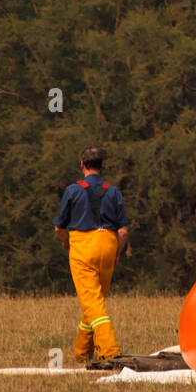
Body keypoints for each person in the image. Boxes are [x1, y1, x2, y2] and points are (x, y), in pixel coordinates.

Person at [54, 146, 129, 363]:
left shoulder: (72, 190)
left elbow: (59, 228)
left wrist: (66, 244)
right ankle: (82, 352)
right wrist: (116, 253)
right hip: (108, 245)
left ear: (82, 165)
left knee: (93, 302)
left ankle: (109, 351)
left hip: (82, 247)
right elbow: (123, 231)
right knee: (95, 301)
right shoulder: (113, 191)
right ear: (102, 166)